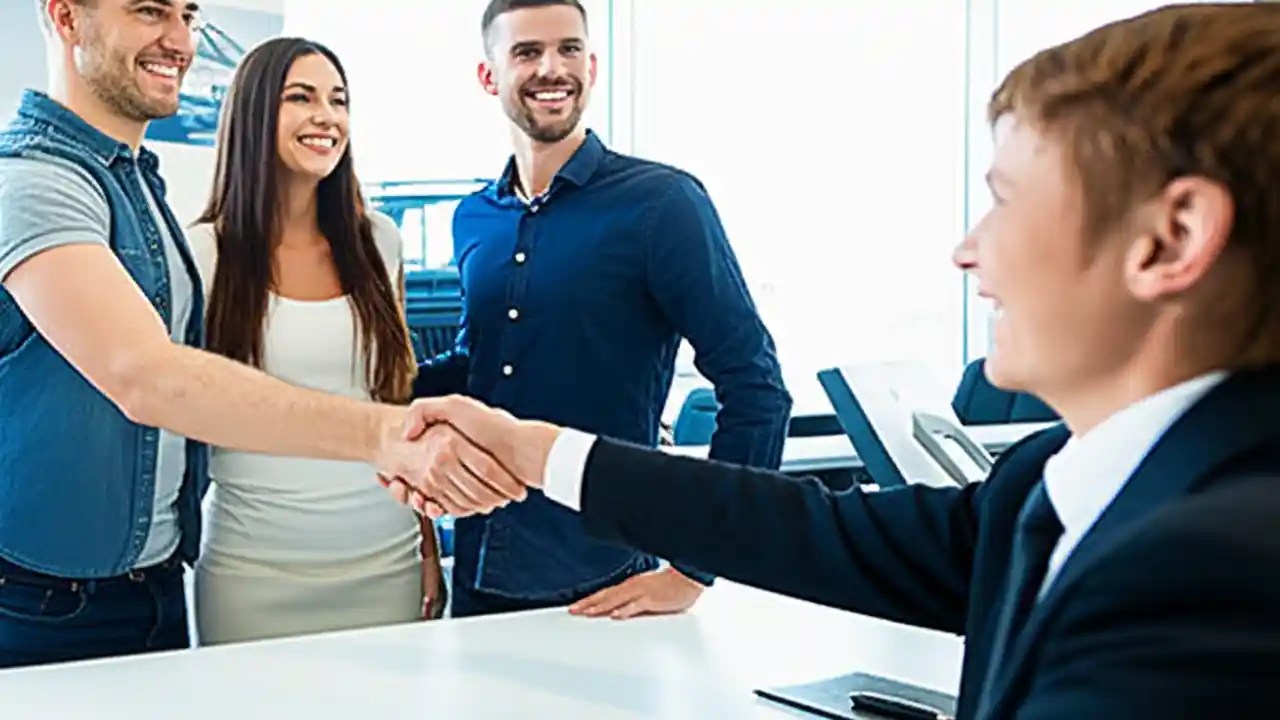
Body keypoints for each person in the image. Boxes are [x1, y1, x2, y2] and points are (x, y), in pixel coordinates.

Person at [387, 3, 1280, 716]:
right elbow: (819, 533)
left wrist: (685, 572)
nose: (968, 251)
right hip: (496, 556)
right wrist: (531, 447)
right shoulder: (1051, 481)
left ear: (1171, 239)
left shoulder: (1212, 575)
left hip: (591, 577)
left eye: (1008, 200)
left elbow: (752, 383)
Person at [0, 0, 505, 668]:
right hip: (82, 597)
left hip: (163, 588)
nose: (180, 39)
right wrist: (388, 437)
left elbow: (392, 384)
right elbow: (150, 378)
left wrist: (420, 530)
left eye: (187, 15)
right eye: (151, 11)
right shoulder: (39, 184)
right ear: (65, 18)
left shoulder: (143, 192)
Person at [410, 0, 793, 619]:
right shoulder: (473, 216)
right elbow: (481, 364)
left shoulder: (662, 205)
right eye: (527, 53)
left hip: (605, 581)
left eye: (567, 50)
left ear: (590, 66)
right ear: (490, 77)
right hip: (483, 571)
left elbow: (757, 388)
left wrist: (699, 566)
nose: (551, 69)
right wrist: (369, 379)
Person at [184, 37, 446, 646]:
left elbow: (395, 403)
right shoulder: (204, 255)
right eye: (300, 97)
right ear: (253, 115)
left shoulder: (380, 242)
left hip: (384, 559)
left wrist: (425, 540)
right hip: (252, 573)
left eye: (339, 100)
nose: (326, 116)